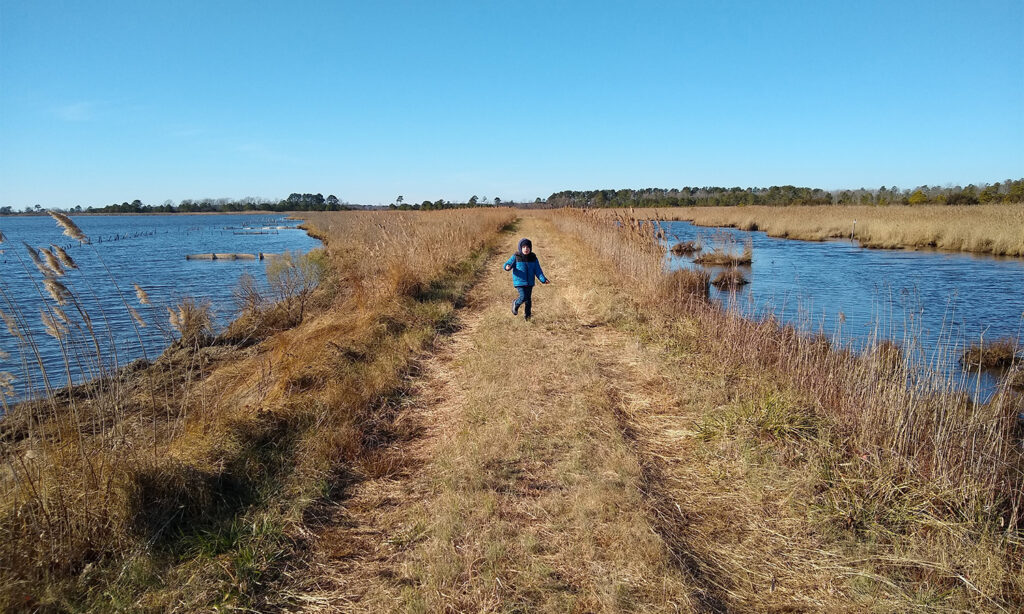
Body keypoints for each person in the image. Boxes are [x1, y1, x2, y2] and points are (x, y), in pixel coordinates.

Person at [503, 237, 548, 320]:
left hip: (530, 282)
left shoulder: (533, 258)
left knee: (528, 300)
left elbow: (538, 270)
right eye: (523, 247)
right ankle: (516, 303)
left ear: (530, 248)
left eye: (528, 247)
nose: (526, 249)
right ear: (520, 248)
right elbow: (507, 264)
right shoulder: (516, 257)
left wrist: (543, 279)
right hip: (519, 282)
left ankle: (528, 317)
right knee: (523, 297)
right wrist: (507, 267)